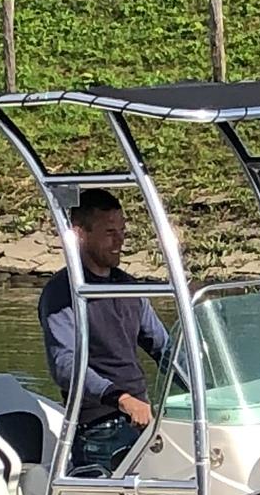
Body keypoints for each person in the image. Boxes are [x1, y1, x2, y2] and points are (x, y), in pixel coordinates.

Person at [39, 189, 174, 476]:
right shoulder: (62, 292)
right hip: (98, 429)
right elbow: (65, 366)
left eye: (122, 231)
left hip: (144, 420)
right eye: (110, 232)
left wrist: (207, 389)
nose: (120, 240)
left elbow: (164, 348)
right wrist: (122, 399)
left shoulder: (128, 286)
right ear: (80, 234)